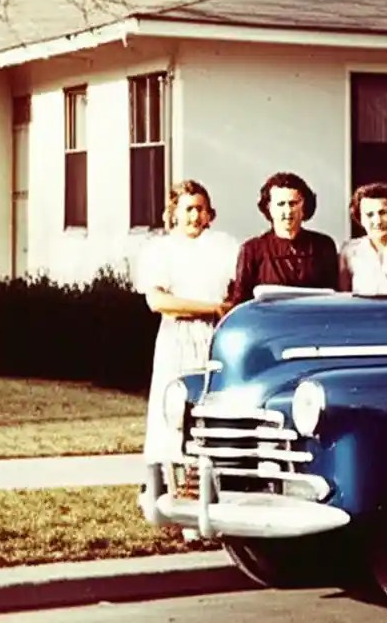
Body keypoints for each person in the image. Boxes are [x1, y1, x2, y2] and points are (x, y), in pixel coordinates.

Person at [136, 180, 238, 469]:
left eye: (201, 209)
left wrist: (224, 309)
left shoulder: (223, 245)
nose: (195, 216)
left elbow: (237, 291)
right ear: (174, 213)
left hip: (216, 336)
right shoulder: (161, 249)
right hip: (177, 337)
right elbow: (158, 301)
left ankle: (213, 474)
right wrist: (212, 308)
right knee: (173, 406)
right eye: (189, 209)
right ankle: (167, 478)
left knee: (214, 403)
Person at [228, 171, 339, 305]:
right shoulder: (252, 250)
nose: (287, 211)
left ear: (304, 205)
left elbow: (334, 297)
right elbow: (241, 303)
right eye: (281, 204)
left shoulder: (324, 245)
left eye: (293, 203)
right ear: (269, 207)